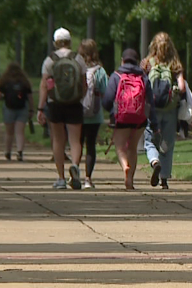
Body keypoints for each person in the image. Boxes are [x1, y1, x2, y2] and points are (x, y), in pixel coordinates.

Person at [36, 27, 88, 190]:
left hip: (55, 103)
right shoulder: (78, 58)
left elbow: (45, 85)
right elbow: (84, 84)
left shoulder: (50, 60)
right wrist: (79, 97)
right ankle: (75, 165)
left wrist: (40, 107)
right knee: (75, 140)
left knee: (58, 140)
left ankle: (61, 178)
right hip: (74, 104)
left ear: (55, 43)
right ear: (70, 41)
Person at [102, 48, 158, 190]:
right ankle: (130, 181)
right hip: (139, 119)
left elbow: (107, 100)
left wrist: (111, 112)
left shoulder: (116, 76)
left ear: (122, 60)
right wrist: (154, 123)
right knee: (132, 148)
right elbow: (150, 103)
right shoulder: (144, 77)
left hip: (121, 118)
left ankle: (125, 166)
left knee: (120, 148)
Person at [140, 32, 186, 189]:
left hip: (152, 109)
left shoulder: (147, 63)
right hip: (170, 110)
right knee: (167, 143)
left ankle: (154, 161)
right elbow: (182, 87)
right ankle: (164, 179)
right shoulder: (175, 65)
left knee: (149, 140)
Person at [78, 39, 109, 189]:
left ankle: (74, 173)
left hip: (77, 113)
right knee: (90, 145)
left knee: (77, 143)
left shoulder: (76, 67)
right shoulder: (100, 71)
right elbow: (106, 92)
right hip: (95, 115)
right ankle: (88, 179)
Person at [0, 62, 34, 161]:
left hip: (9, 108)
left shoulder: (4, 81)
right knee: (20, 132)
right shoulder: (24, 82)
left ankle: (8, 152)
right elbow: (30, 97)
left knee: (9, 132)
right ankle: (20, 152)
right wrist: (31, 109)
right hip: (22, 108)